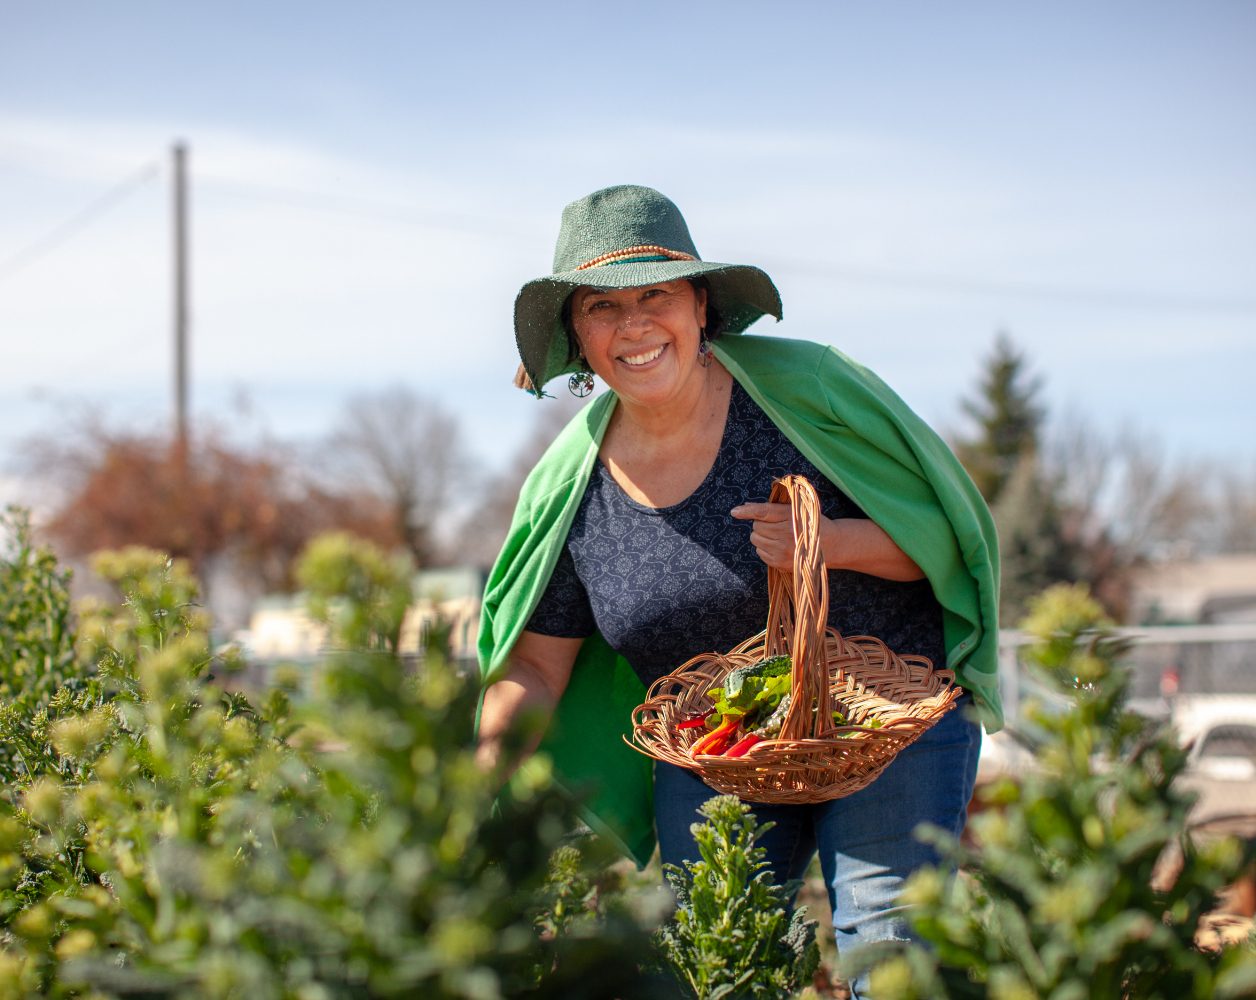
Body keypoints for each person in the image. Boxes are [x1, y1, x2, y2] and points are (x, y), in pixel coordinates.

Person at [475, 184, 1001, 994]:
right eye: (603, 307)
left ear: (700, 306)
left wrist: (829, 542)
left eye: (656, 295)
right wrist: (475, 781)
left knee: (890, 962)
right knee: (716, 972)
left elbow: (946, 544)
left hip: (885, 725)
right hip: (715, 755)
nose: (635, 325)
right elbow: (536, 667)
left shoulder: (808, 394)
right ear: (577, 336)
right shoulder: (569, 485)